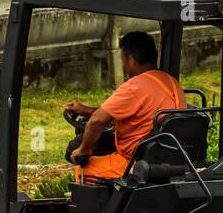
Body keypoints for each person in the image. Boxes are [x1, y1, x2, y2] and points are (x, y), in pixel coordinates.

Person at [66, 31, 186, 183]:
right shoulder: (171, 82)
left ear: (130, 59)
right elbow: (118, 114)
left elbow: (97, 122)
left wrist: (84, 149)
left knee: (84, 170)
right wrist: (85, 110)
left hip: (138, 161)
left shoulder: (135, 86)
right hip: (171, 157)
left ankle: (102, 207)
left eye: (123, 60)